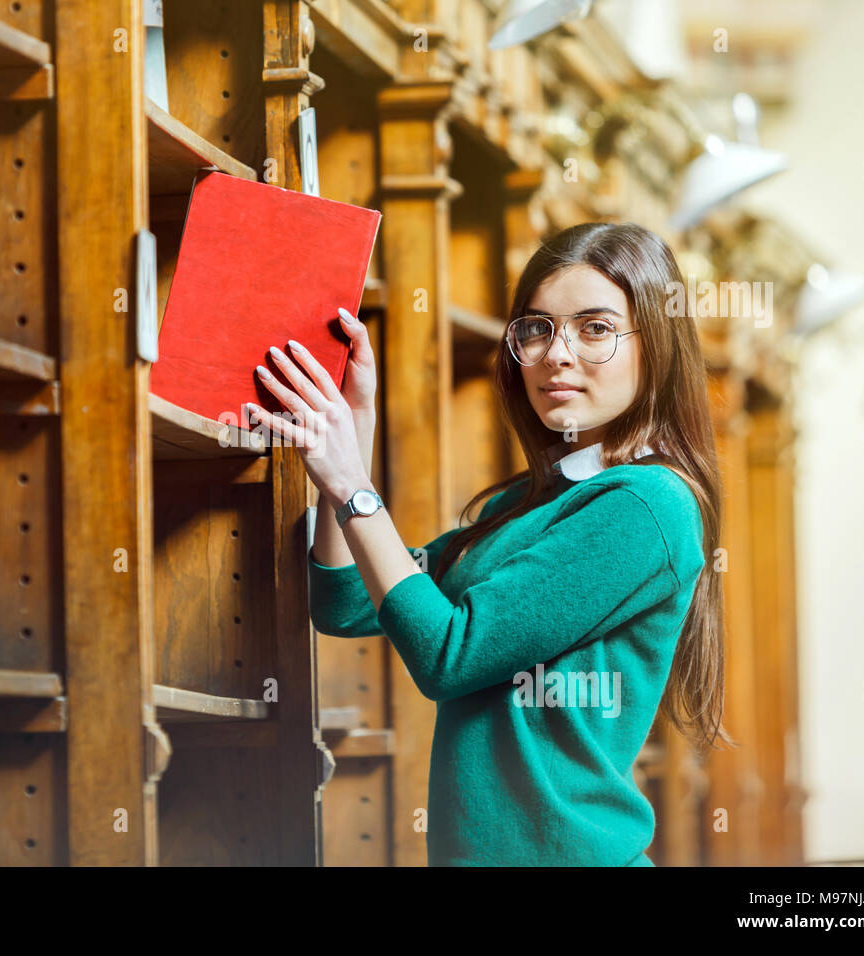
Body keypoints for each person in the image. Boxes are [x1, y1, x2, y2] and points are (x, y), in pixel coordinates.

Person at [244, 221, 728, 866]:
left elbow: (450, 655)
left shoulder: (645, 506)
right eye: (537, 327)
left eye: (596, 328)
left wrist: (355, 487)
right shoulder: (527, 503)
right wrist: (352, 435)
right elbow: (348, 601)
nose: (558, 354)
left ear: (657, 346)